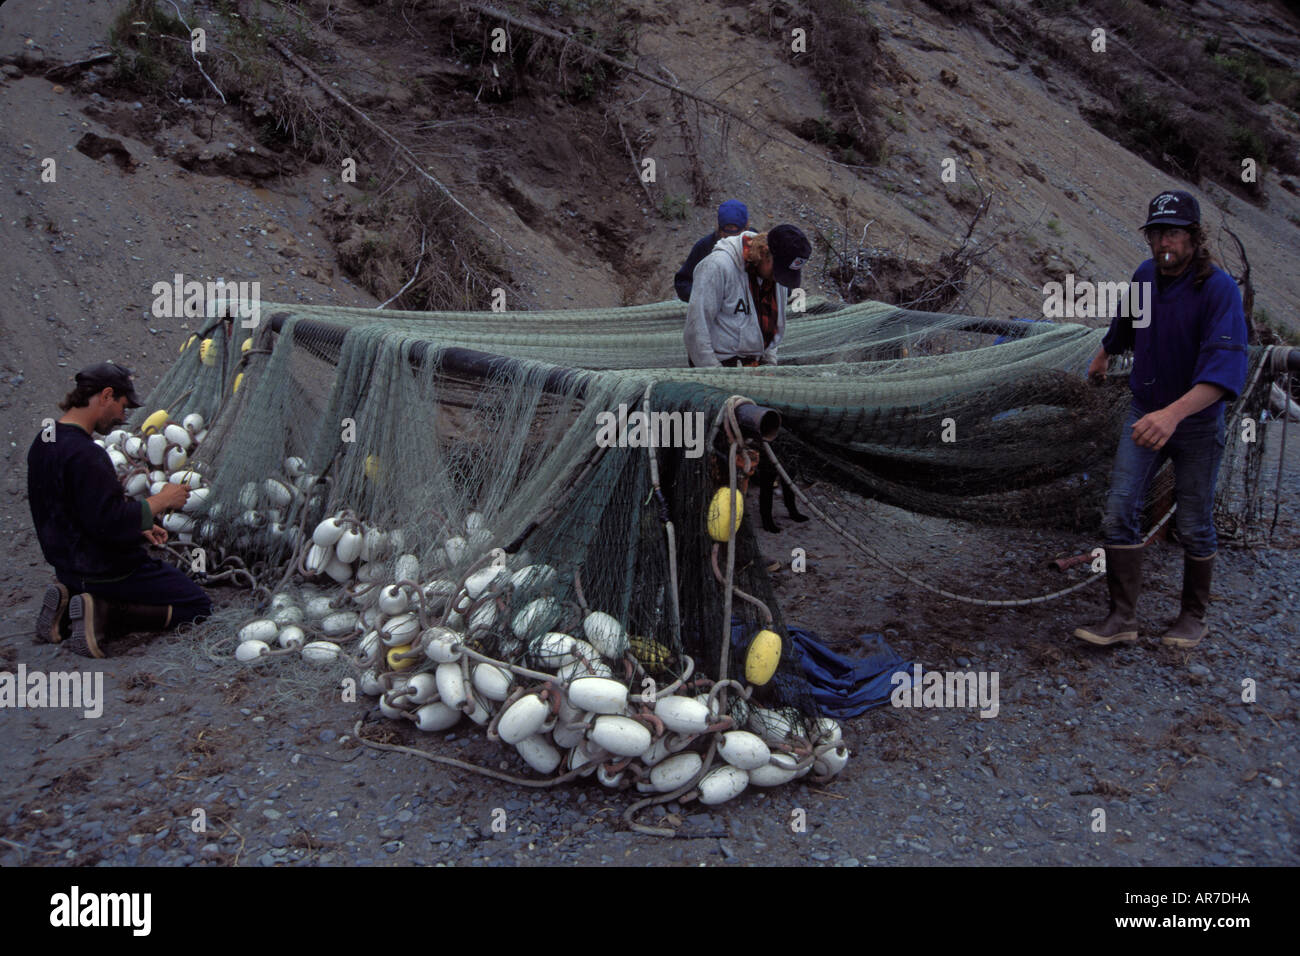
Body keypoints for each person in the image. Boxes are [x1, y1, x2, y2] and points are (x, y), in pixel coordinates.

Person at [1074, 190, 1247, 650]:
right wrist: (1104, 353)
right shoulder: (1146, 276)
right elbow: (1126, 325)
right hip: (1144, 411)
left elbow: (1224, 372)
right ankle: (1122, 617)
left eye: (1172, 233)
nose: (1162, 243)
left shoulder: (1218, 290)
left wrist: (1172, 415)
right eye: (1156, 233)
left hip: (1195, 422)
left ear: (1193, 236)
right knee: (1118, 510)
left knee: (1193, 521)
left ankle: (1192, 616)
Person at [28, 361, 212, 658]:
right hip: (105, 570)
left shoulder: (45, 441)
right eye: (123, 407)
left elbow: (81, 510)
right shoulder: (88, 455)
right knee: (197, 605)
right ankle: (102, 612)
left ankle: (68, 608)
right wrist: (163, 499)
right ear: (106, 395)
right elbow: (109, 522)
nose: (123, 417)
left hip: (67, 567)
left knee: (105, 576)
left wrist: (139, 524)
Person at [683, 223, 812, 368]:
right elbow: (695, 331)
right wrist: (716, 373)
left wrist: (769, 363)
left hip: (754, 366)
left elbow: (772, 324)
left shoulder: (776, 278)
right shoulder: (717, 266)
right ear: (764, 252)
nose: (778, 278)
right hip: (718, 365)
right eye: (777, 270)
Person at [674, 199, 750, 302]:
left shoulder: (754, 244)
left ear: (746, 229)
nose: (731, 243)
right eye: (727, 237)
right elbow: (682, 283)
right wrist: (705, 296)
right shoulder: (704, 247)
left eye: (736, 237)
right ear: (719, 230)